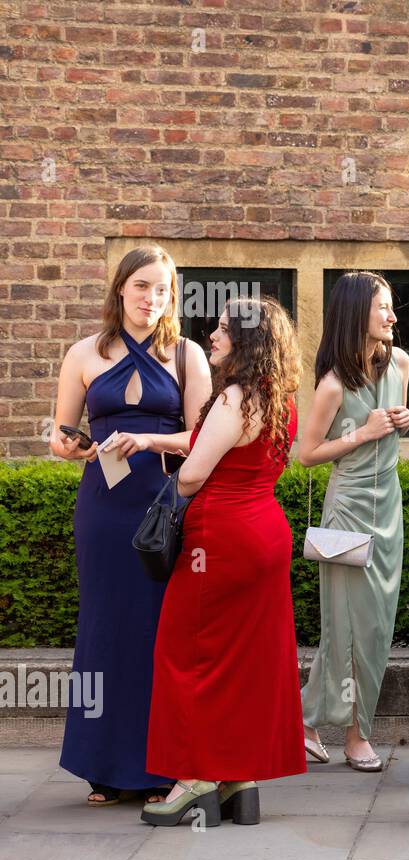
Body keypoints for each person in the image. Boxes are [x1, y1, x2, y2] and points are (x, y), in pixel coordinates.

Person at [50, 244, 210, 807]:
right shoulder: (83, 354)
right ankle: (102, 767)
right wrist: (75, 446)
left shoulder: (188, 355)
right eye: (142, 286)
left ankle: (162, 765)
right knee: (104, 628)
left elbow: (202, 438)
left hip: (163, 507)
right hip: (103, 506)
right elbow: (60, 433)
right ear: (121, 288)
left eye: (163, 288)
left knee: (159, 633)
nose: (152, 298)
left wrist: (148, 439)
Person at [143, 297, 305, 827]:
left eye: (223, 329)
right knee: (242, 661)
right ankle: (239, 779)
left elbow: (192, 475)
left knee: (187, 654)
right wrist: (156, 440)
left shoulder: (234, 395)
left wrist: (177, 470)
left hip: (218, 538)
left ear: (248, 341)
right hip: (263, 533)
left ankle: (194, 779)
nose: (212, 335)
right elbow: (224, 449)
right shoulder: (279, 397)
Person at [298, 272, 409, 772]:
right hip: (346, 509)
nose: (392, 315)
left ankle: (304, 717)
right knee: (343, 626)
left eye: (391, 307)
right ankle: (353, 733)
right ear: (355, 315)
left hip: (389, 503)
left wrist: (401, 421)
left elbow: (394, 422)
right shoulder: (332, 385)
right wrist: (362, 433)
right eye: (383, 307)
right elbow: (308, 455)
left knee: (377, 625)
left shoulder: (401, 364)